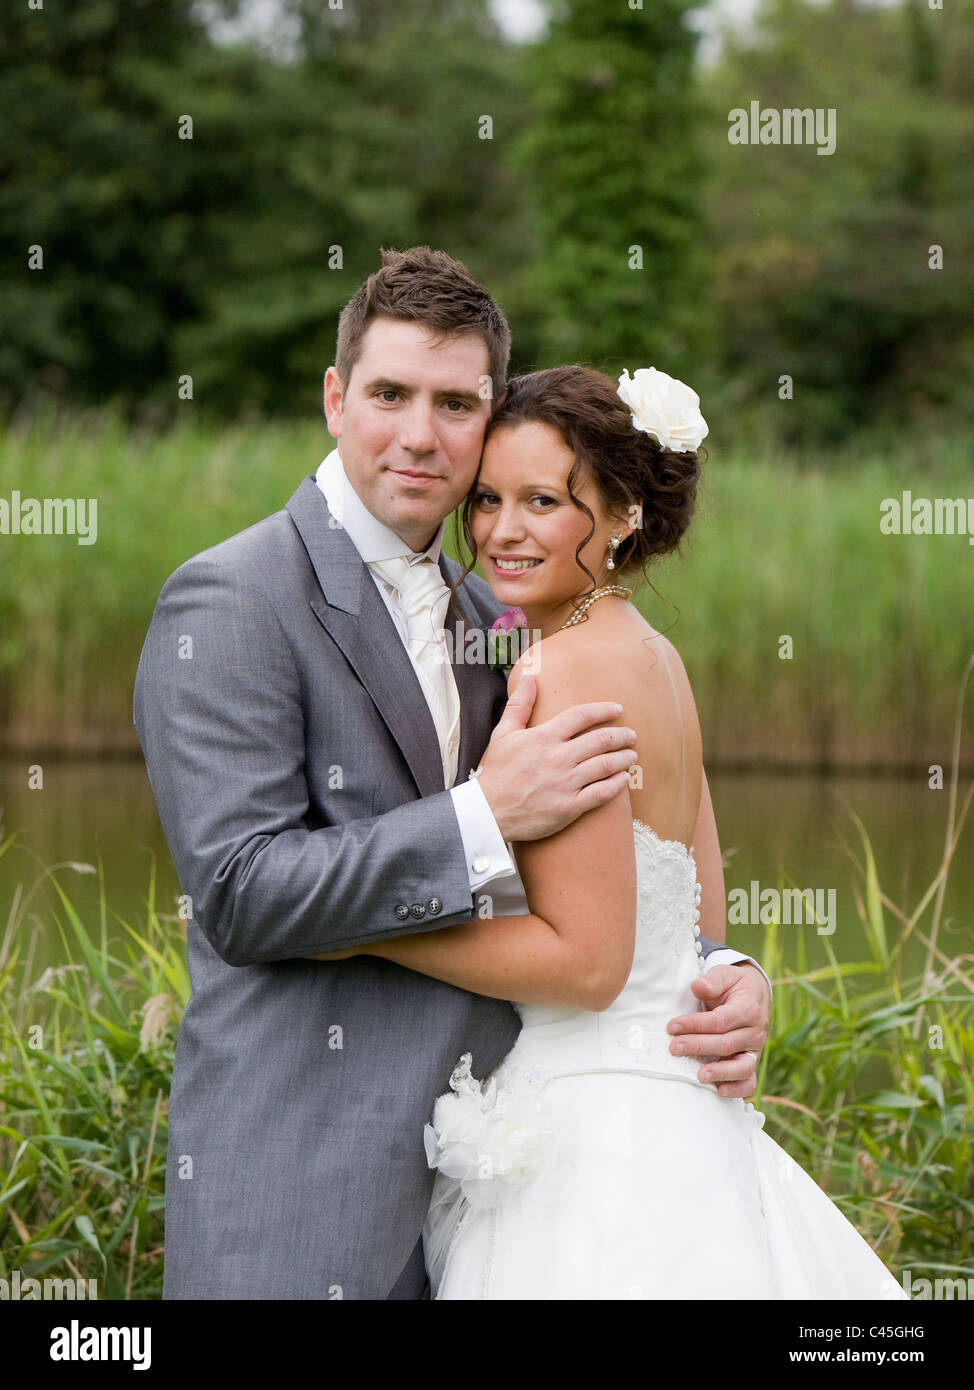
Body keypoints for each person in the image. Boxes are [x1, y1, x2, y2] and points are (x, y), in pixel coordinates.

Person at [132, 247, 771, 1301]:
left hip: (500, 1181)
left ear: (487, 418)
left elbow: (625, 876)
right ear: (336, 399)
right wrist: (482, 815)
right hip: (303, 1198)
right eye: (388, 394)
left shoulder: (508, 624)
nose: (420, 434)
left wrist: (725, 969)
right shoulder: (230, 601)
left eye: (454, 402)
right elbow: (241, 893)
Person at [318, 363, 907, 1300]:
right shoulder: (653, 656)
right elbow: (700, 912)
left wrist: (371, 930)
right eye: (488, 500)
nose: (502, 531)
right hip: (679, 1118)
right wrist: (737, 974)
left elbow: (589, 967)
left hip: (597, 1143)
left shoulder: (567, 669)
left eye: (544, 501)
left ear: (625, 511)